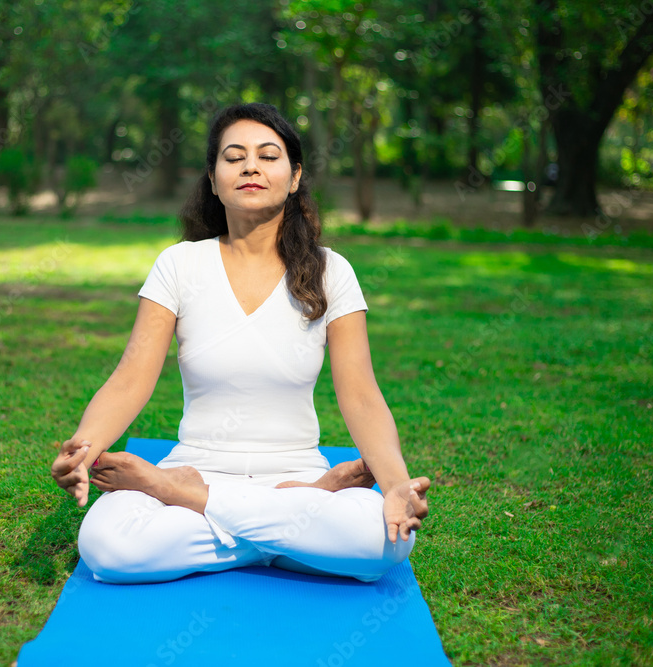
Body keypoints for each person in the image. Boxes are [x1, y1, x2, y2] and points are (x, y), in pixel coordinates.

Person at [51, 102, 430, 585]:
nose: (250, 165)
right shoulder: (180, 265)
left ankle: (198, 502)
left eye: (268, 156)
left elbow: (360, 394)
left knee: (389, 539)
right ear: (213, 179)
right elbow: (129, 380)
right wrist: (84, 450)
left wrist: (396, 484)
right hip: (205, 465)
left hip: (278, 471)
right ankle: (290, 533)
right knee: (107, 545)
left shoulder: (332, 271)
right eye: (234, 157)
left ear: (294, 178)